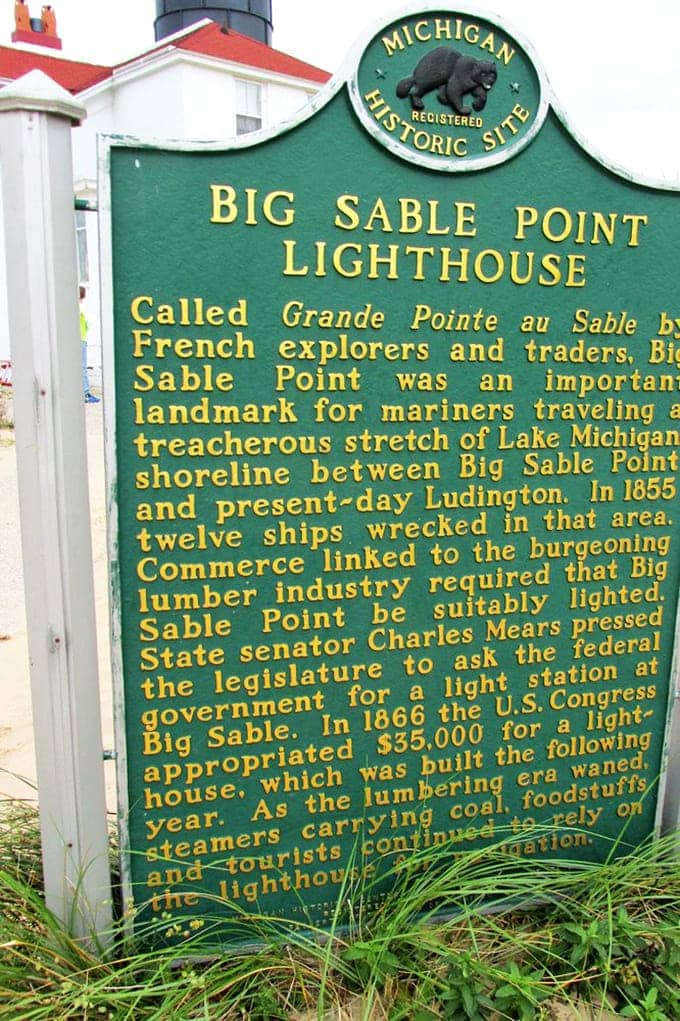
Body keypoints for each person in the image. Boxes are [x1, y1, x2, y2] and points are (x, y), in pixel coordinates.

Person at [80, 286, 99, 404]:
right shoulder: (82, 309)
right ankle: (85, 393)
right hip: (81, 339)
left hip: (76, 339)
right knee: (83, 367)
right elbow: (89, 323)